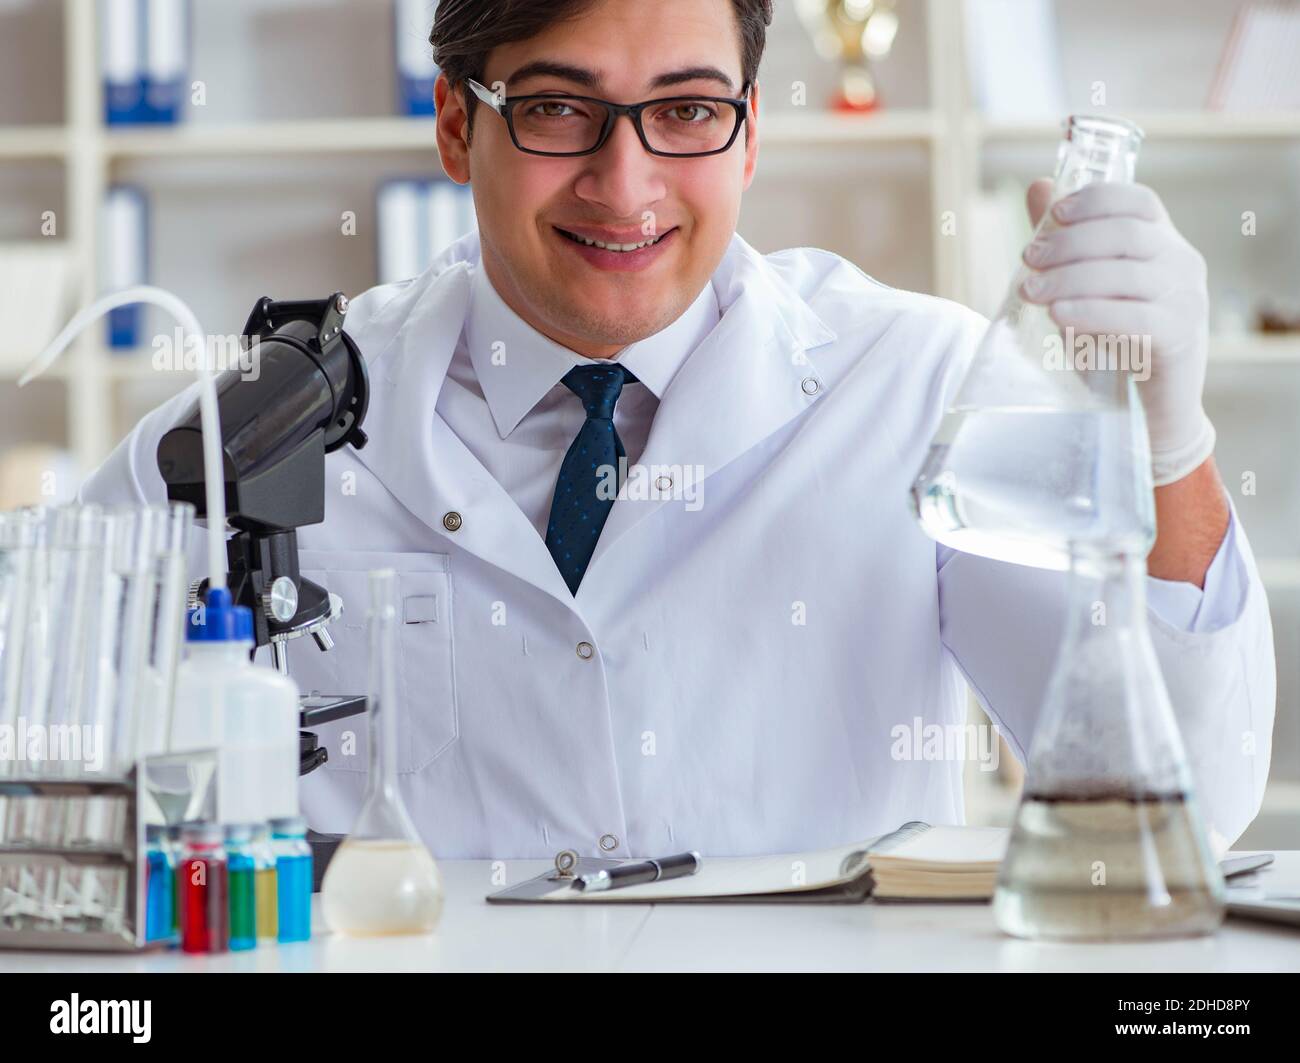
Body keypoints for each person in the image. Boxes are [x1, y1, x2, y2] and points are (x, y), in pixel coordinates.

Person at [82, 0, 1274, 859]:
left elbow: (1177, 799)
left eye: (688, 112)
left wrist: (1168, 442)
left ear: (751, 132)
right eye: (558, 108)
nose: (626, 180)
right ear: (455, 125)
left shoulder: (920, 380)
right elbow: (52, 737)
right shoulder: (260, 429)